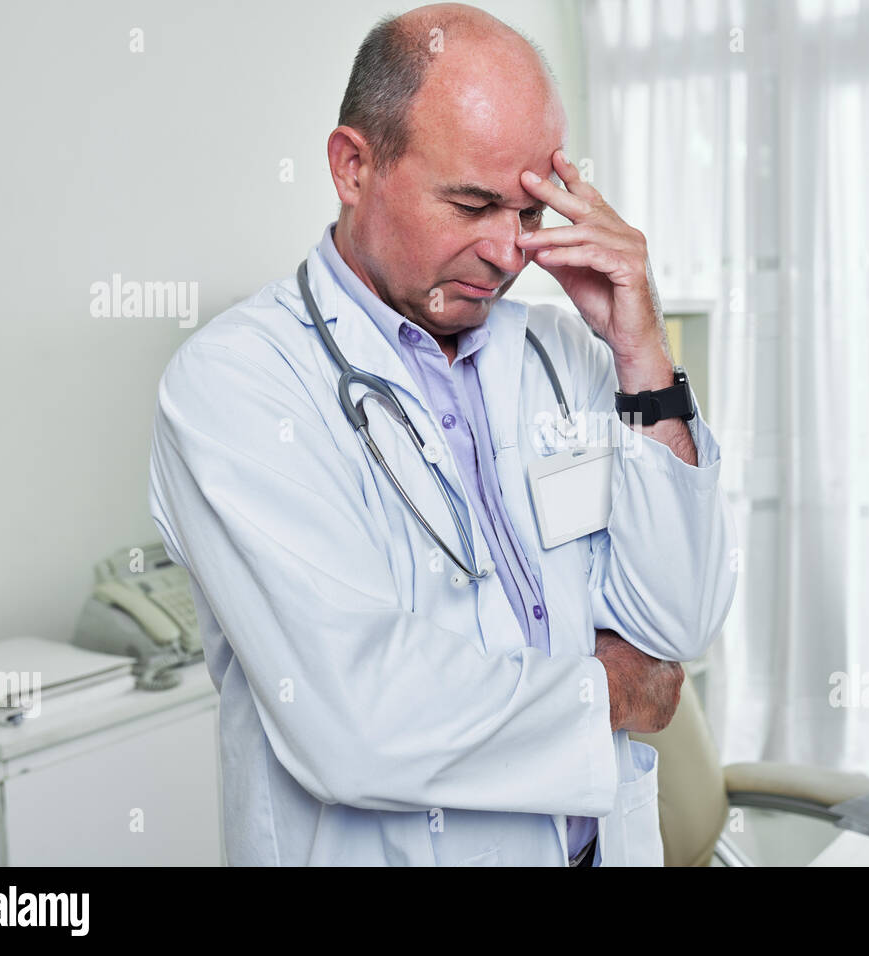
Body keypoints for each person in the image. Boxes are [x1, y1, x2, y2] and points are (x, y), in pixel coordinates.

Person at [148, 2, 736, 866]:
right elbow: (361, 722)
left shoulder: (567, 356)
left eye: (530, 215)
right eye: (472, 204)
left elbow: (679, 620)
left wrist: (639, 348)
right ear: (353, 166)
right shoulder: (239, 385)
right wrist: (607, 688)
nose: (508, 254)